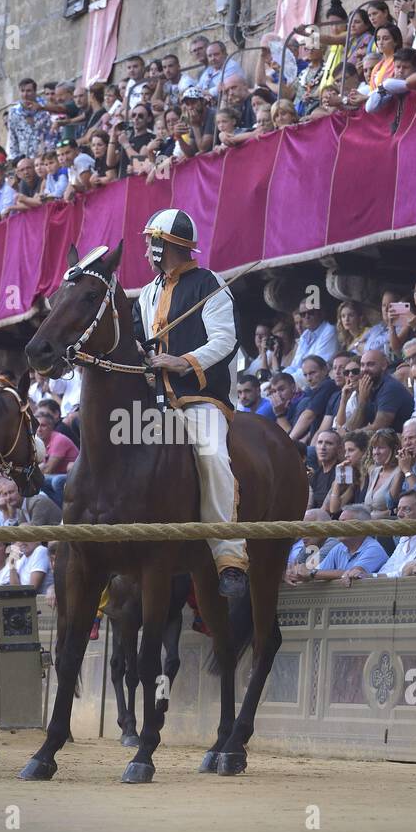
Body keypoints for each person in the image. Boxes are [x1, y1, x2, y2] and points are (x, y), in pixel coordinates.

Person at [132, 209, 247, 598]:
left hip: (200, 399)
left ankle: (229, 556)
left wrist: (182, 361)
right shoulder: (146, 294)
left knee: (213, 455)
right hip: (155, 403)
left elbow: (225, 340)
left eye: (152, 242)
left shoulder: (209, 284)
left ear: (166, 245)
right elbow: (138, 341)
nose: (147, 249)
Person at [287, 504, 387, 586]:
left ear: (361, 527)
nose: (338, 527)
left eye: (343, 523)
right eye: (338, 522)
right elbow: (318, 571)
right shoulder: (339, 548)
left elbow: (352, 573)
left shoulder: (374, 549)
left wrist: (311, 573)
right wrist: (296, 573)